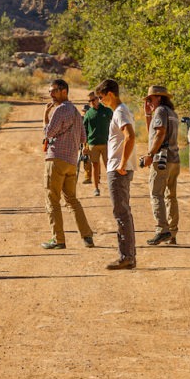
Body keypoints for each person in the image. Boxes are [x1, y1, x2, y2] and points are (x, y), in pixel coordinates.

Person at [40, 78, 94, 250]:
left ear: (64, 91)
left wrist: (45, 117)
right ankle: (87, 236)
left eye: (54, 90)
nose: (51, 94)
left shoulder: (60, 110)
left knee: (52, 199)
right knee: (72, 200)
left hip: (56, 159)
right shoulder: (76, 112)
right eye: (50, 91)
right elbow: (83, 138)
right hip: (71, 161)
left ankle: (58, 239)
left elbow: (48, 133)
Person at [97, 79, 138, 270]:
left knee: (121, 213)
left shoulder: (120, 111)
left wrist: (121, 164)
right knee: (123, 213)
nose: (101, 100)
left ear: (110, 94)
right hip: (118, 167)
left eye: (101, 96)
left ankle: (126, 256)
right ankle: (128, 256)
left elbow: (130, 135)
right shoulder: (122, 111)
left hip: (118, 169)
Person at [141, 85, 181, 246]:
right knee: (170, 196)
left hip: (161, 159)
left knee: (156, 194)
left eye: (150, 99)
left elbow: (159, 132)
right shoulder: (171, 113)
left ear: (159, 97)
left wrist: (150, 154)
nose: (149, 101)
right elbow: (152, 131)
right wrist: (147, 114)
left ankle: (161, 230)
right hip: (174, 159)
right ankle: (172, 232)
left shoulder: (161, 111)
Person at [81, 90, 111, 196]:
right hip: (93, 144)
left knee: (109, 166)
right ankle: (96, 188)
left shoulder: (107, 111)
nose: (92, 102)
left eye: (93, 99)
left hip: (106, 143)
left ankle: (112, 188)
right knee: (95, 166)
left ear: (98, 99)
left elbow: (115, 125)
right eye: (90, 101)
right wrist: (84, 145)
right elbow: (84, 130)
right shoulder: (88, 114)